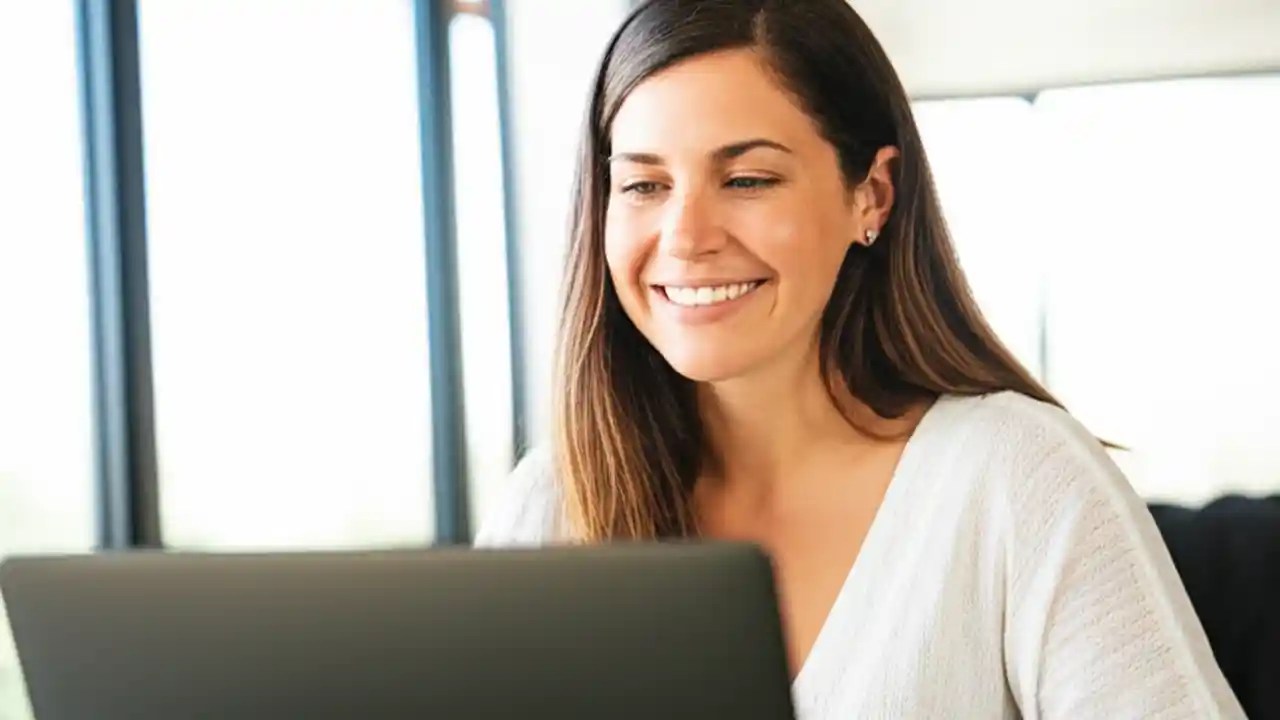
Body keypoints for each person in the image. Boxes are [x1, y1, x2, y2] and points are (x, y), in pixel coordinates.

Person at [474, 0, 1245, 717]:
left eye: (747, 179)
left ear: (872, 195)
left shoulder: (1019, 480)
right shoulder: (550, 506)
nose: (685, 236)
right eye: (644, 185)